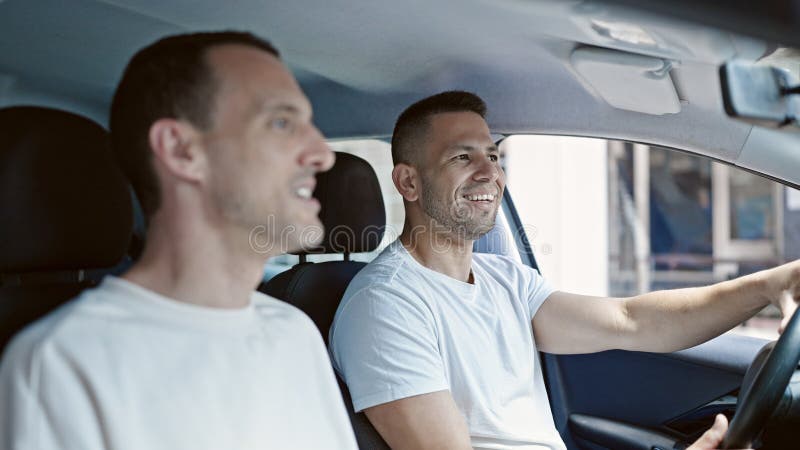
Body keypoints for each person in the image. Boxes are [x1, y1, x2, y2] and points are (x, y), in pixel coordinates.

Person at [329, 90, 797, 450]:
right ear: (408, 181)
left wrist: (772, 282)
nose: (489, 173)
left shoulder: (503, 279)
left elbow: (634, 321)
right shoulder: (385, 307)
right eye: (461, 157)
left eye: (492, 156)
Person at [0, 32, 358, 450]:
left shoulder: (294, 333)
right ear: (181, 149)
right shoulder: (63, 362)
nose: (323, 154)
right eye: (282, 123)